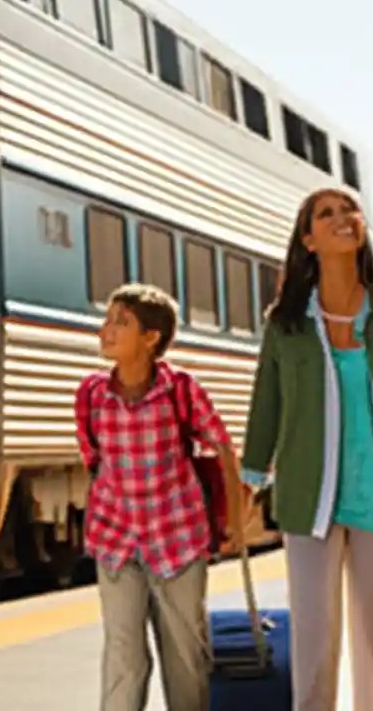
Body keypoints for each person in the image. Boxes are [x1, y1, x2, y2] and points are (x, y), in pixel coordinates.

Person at [240, 188, 373, 711]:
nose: (342, 218)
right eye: (326, 213)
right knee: (314, 636)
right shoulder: (285, 324)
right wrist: (249, 478)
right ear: (308, 240)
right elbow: (265, 400)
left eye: (349, 210)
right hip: (309, 492)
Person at [73, 283, 246, 711]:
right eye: (107, 320)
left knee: (186, 656)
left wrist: (236, 523)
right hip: (116, 540)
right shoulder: (92, 396)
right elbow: (94, 461)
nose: (106, 331)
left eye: (121, 322)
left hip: (178, 536)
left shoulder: (181, 390)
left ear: (151, 339)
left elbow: (223, 447)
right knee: (123, 655)